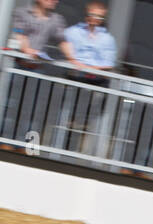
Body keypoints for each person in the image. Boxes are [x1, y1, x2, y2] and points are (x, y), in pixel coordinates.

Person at [2, 0, 72, 147]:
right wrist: (27, 50)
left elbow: (63, 40)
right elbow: (19, 34)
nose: (55, 1)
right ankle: (5, 141)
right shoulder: (22, 12)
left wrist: (73, 58)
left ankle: (23, 145)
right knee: (12, 104)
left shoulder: (56, 19)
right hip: (19, 66)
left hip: (37, 68)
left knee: (32, 107)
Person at [58, 3, 116, 152]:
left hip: (95, 82)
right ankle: (61, 147)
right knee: (67, 117)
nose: (94, 19)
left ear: (103, 18)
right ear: (86, 14)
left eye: (99, 16)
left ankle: (81, 152)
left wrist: (89, 68)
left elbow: (108, 64)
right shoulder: (73, 32)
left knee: (88, 121)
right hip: (75, 79)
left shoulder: (107, 39)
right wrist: (73, 60)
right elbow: (62, 43)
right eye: (92, 14)